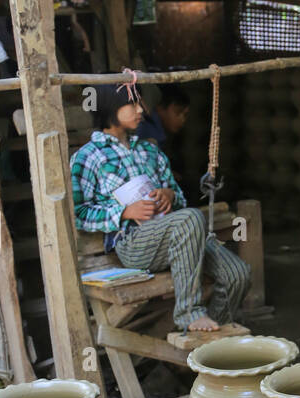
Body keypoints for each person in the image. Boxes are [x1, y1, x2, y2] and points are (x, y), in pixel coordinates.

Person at [71, 85, 249, 333]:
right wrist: (124, 212)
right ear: (110, 108)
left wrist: (169, 195)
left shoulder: (150, 150)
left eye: (139, 103)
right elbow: (78, 213)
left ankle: (201, 348)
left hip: (178, 237)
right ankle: (189, 313)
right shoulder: (88, 157)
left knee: (237, 274)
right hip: (133, 244)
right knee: (191, 218)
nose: (140, 110)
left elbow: (179, 202)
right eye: (132, 104)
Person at [136, 84, 191, 150]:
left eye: (185, 115)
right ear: (161, 107)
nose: (182, 119)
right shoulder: (148, 130)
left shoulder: (158, 130)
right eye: (178, 112)